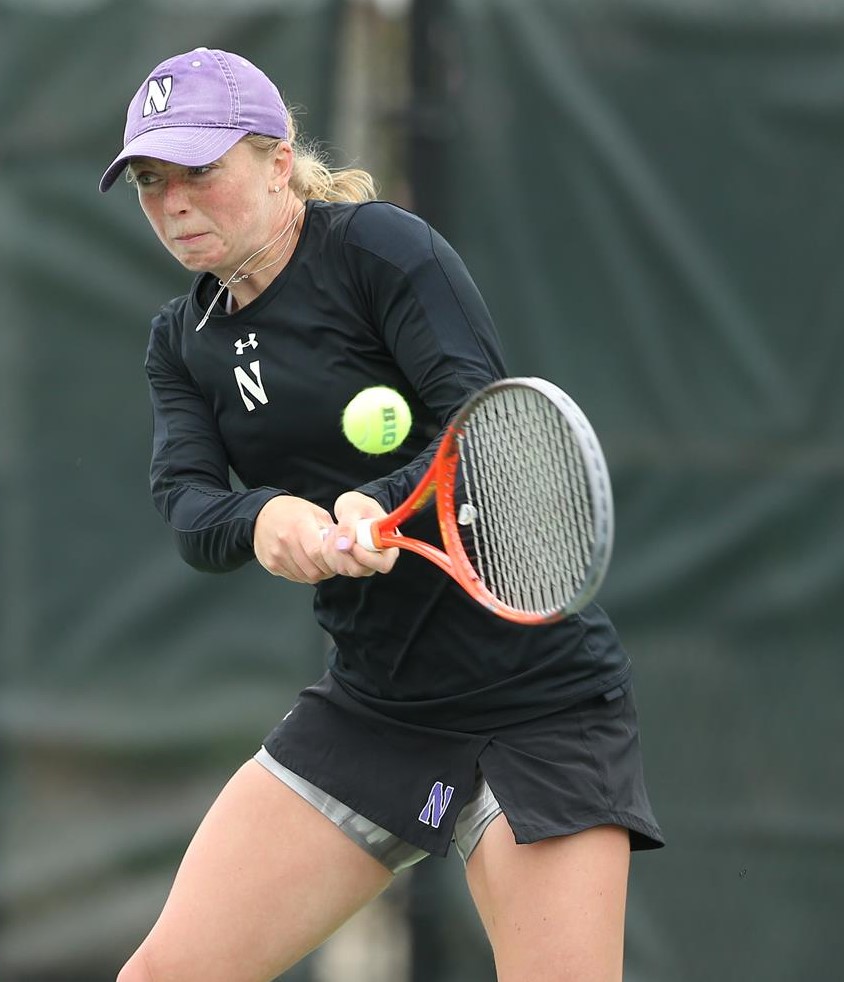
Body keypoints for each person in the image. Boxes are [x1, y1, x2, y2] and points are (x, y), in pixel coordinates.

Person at [100, 47, 662, 982]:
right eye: (152, 181)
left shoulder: (381, 250)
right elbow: (190, 503)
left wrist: (377, 500)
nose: (174, 204)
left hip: (539, 707)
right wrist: (266, 518)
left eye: (199, 170)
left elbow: (477, 419)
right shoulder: (181, 341)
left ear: (279, 160)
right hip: (375, 709)